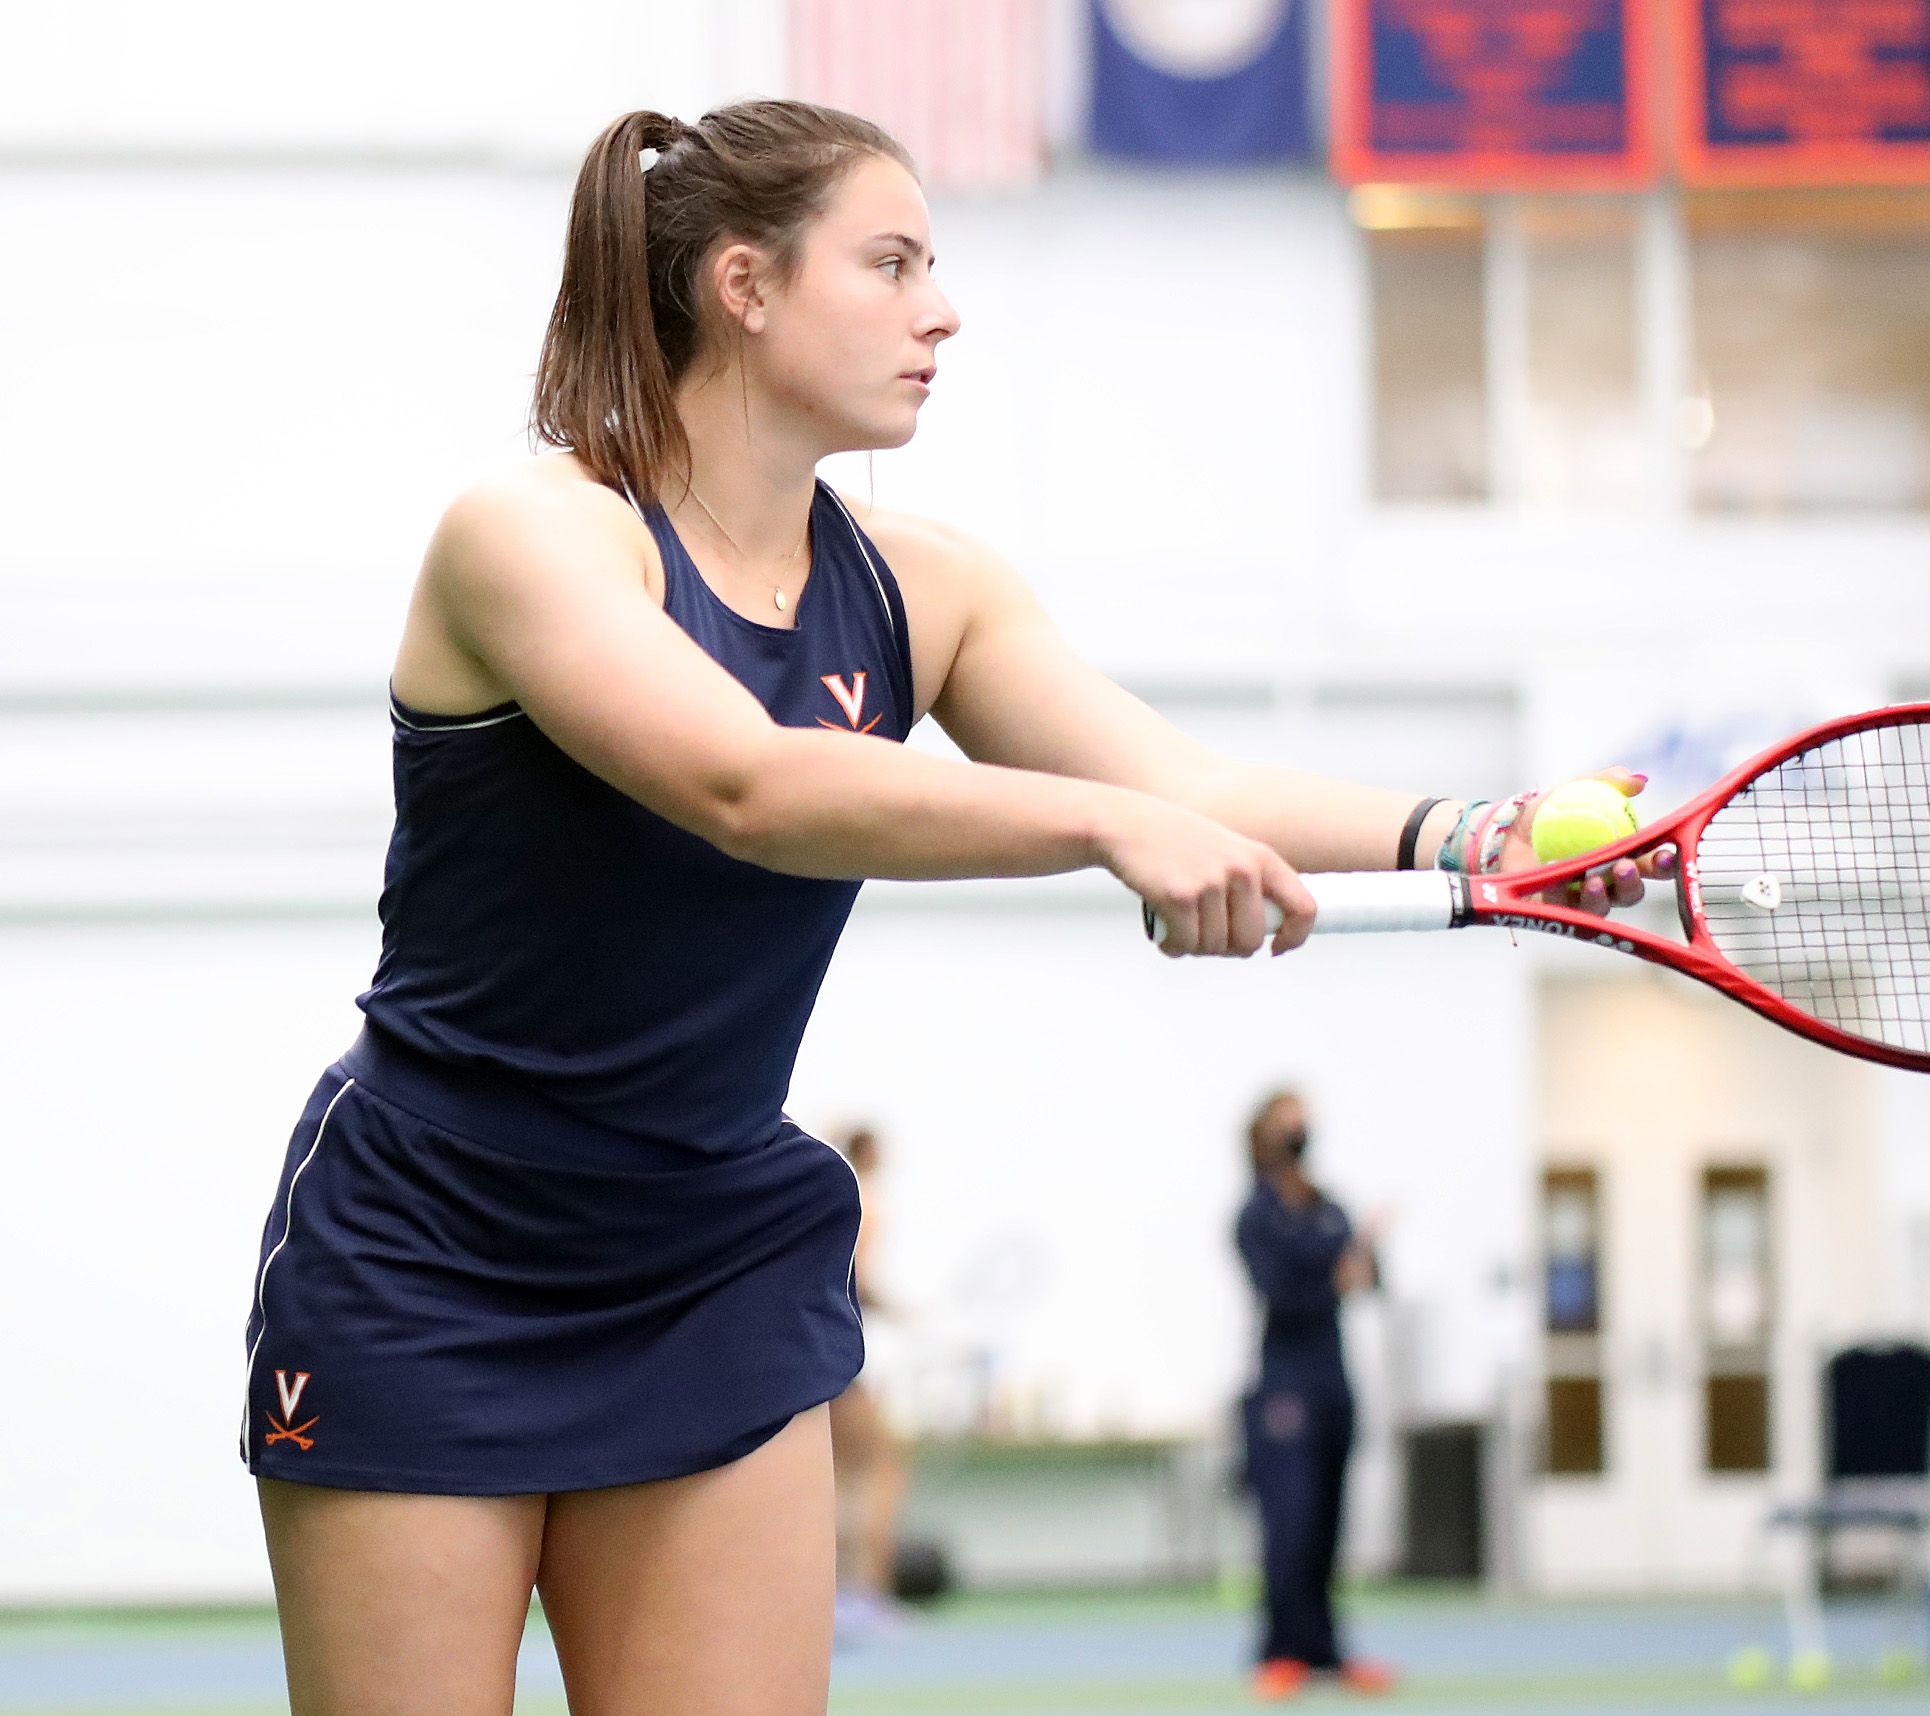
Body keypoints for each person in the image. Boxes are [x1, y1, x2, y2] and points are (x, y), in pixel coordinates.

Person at [237, 99, 1658, 1715]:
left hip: (713, 1254)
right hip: (431, 1247)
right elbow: (749, 787)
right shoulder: (534, 533)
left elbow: (1177, 779)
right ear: (745, 284)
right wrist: (1105, 826)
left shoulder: (930, 589)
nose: (945, 309)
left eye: (940, 265)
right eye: (894, 261)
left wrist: (1485, 833)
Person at [1235, 1090, 1394, 1701]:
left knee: (1330, 1516)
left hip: (1333, 1376)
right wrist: (1337, 1277)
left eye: (1304, 1118)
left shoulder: (1331, 1207)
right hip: (1283, 1381)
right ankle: (1279, 1652)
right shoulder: (1254, 1214)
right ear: (1262, 1133)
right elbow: (1282, 1292)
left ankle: (1327, 1652)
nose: (1299, 1128)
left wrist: (1368, 1255)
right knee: (1290, 1517)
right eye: (1286, 1118)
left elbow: (1369, 1281)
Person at [826, 1125, 913, 1640]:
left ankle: (842, 1599)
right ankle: (864, 1597)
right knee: (882, 1468)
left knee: (840, 1476)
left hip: (832, 1355)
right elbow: (854, 1279)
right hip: (843, 1358)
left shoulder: (835, 1196)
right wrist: (899, 1311)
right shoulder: (864, 1205)